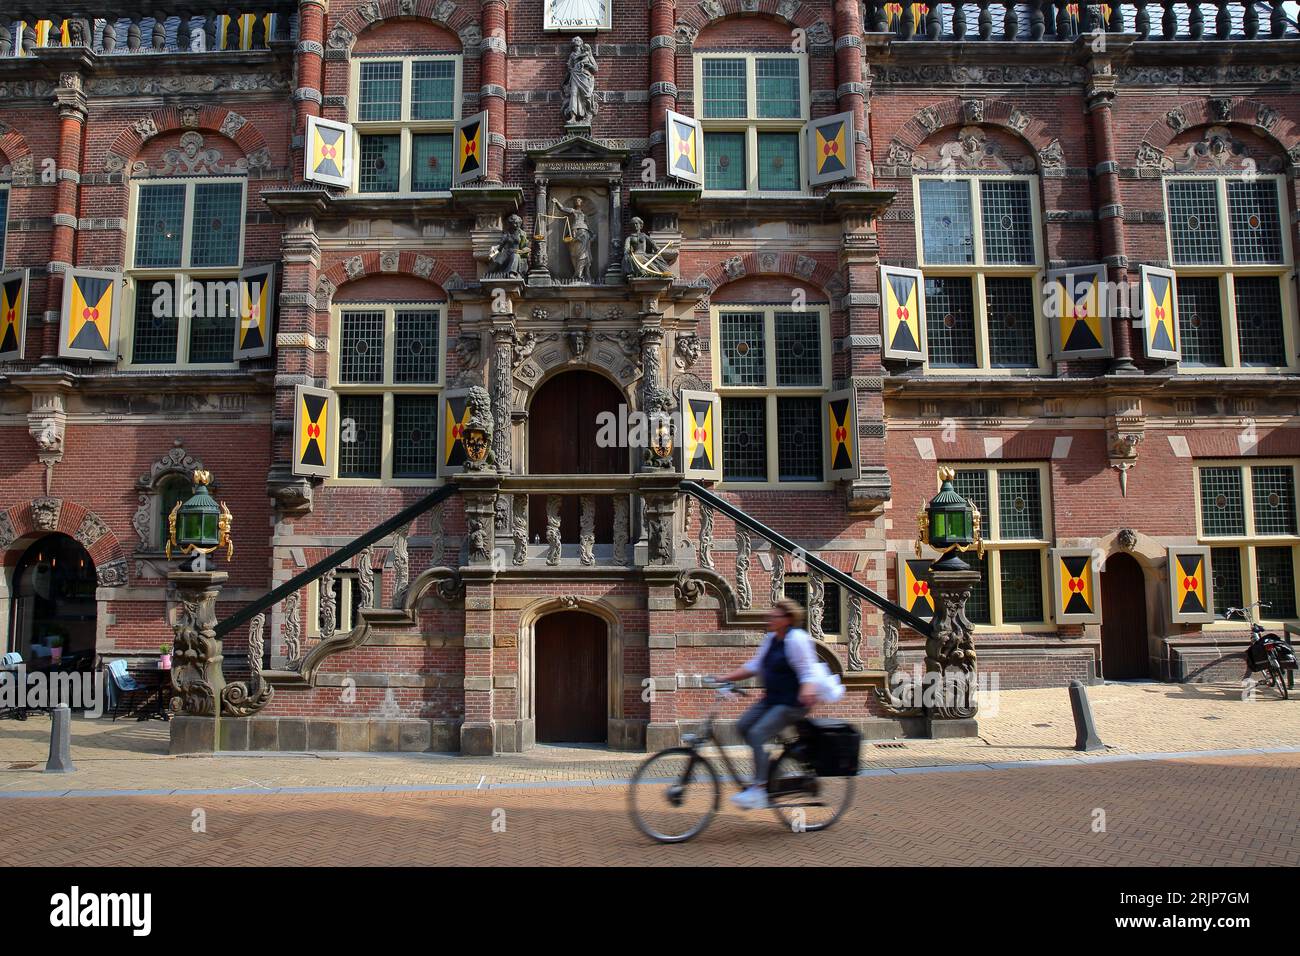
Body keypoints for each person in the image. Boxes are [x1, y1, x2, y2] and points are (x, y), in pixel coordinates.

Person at [715, 598, 820, 810]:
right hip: (772, 699)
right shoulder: (771, 639)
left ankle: (759, 789)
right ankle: (772, 772)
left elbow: (808, 668)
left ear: (787, 619)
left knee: (757, 734)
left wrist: (808, 689)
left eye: (775, 616)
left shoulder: (796, 639)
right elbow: (755, 665)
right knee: (743, 725)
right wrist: (725, 678)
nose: (770, 618)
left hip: (792, 701)